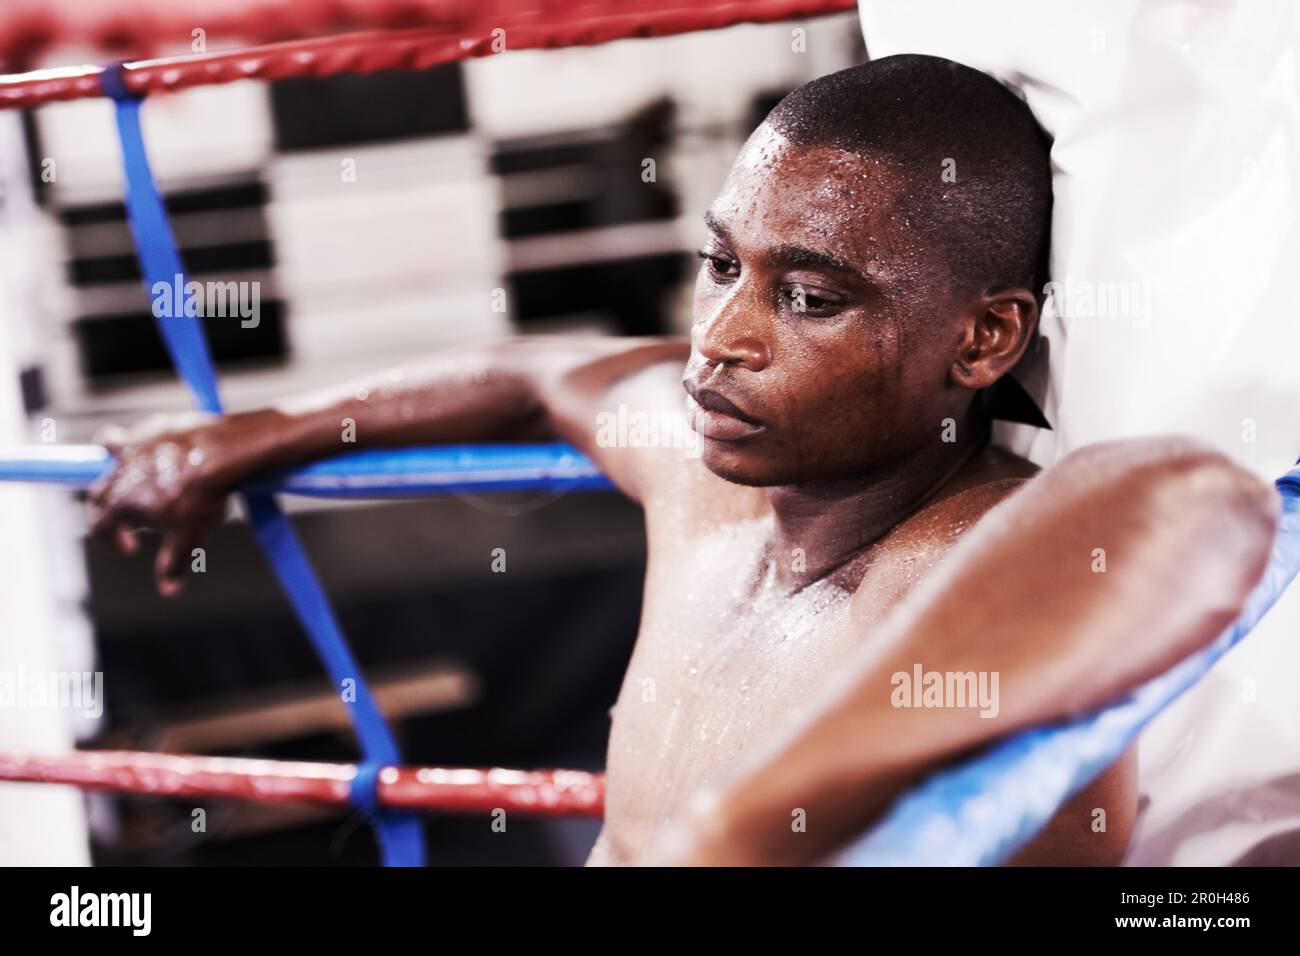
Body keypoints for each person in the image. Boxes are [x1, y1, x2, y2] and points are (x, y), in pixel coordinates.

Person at [87, 55, 1278, 865]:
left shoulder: (959, 576)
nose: (719, 339)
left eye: (808, 296)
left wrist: (738, 832)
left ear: (983, 338)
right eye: (724, 266)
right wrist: (264, 427)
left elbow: (1190, 502)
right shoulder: (701, 474)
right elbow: (541, 369)